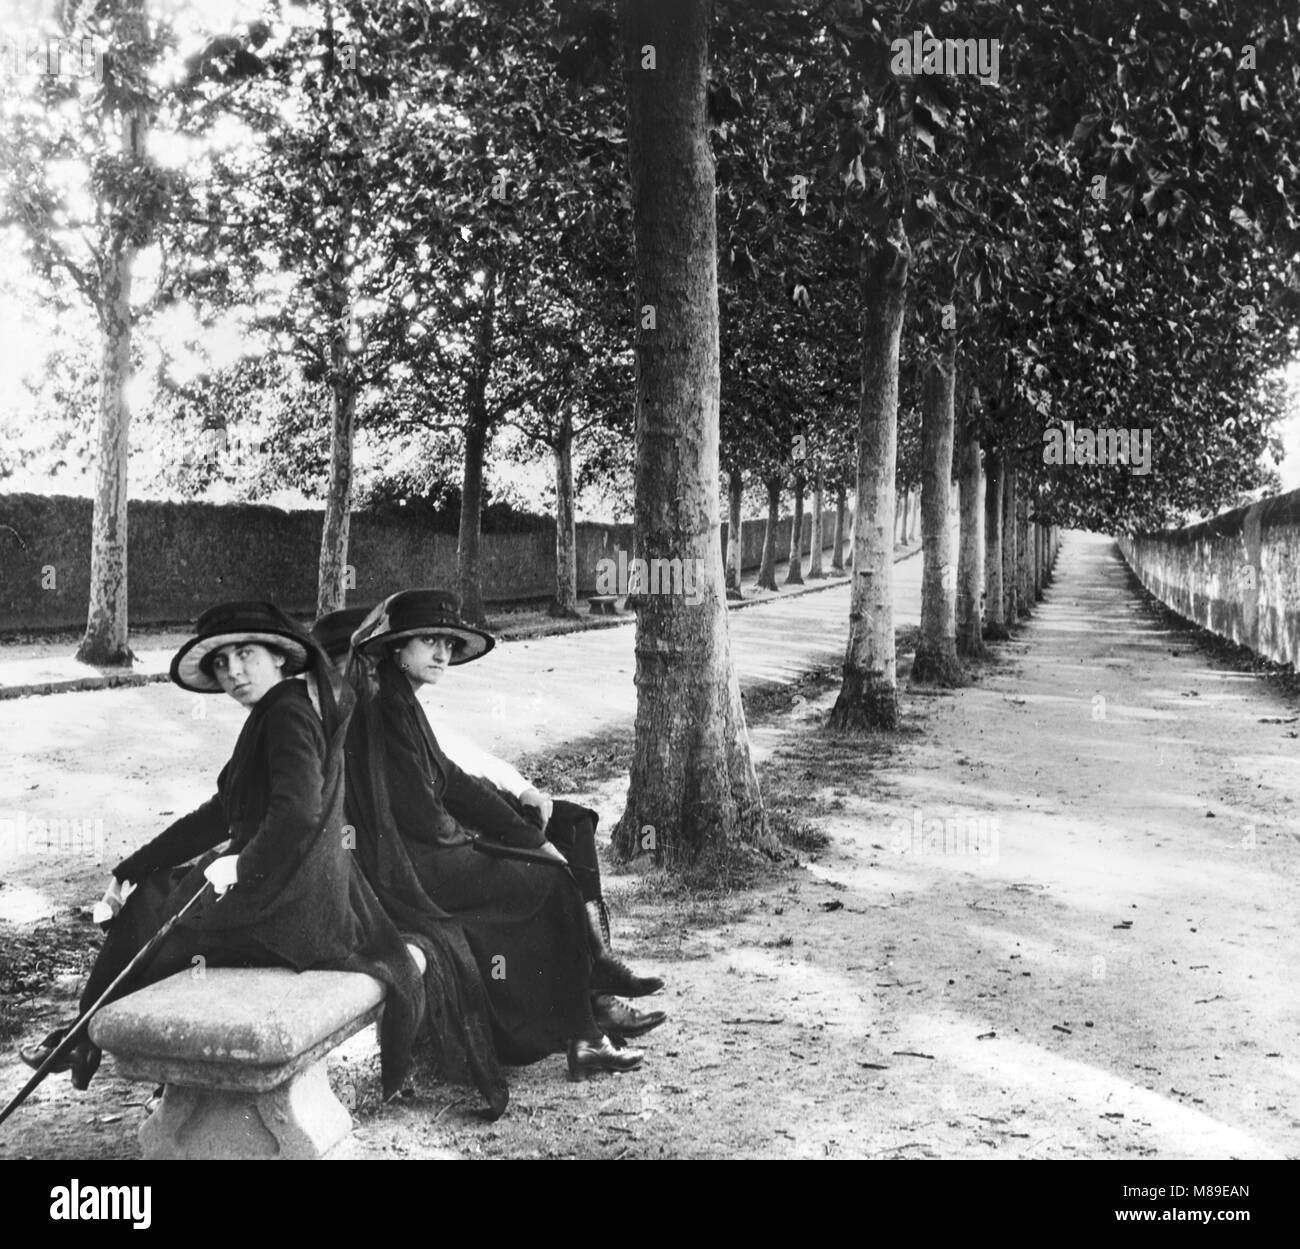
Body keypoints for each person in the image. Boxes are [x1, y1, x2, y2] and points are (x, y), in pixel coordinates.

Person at [16, 602, 446, 1109]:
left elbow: (300, 811)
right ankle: (86, 1040)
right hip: (295, 896)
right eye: (222, 663)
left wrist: (240, 865)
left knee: (158, 909)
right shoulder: (277, 708)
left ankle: (86, 1040)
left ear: (282, 657)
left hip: (289, 912)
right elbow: (223, 813)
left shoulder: (286, 712)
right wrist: (133, 865)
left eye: (246, 654)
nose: (234, 672)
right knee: (157, 888)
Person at [335, 589, 664, 1078]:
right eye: (429, 642)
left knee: (551, 860)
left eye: (447, 643)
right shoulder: (385, 708)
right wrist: (491, 842)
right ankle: (590, 1012)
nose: (443, 654)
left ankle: (591, 1005)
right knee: (549, 880)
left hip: (428, 856)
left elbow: (454, 780)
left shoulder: (401, 699)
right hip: (412, 872)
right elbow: (421, 816)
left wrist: (523, 835)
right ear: (396, 649)